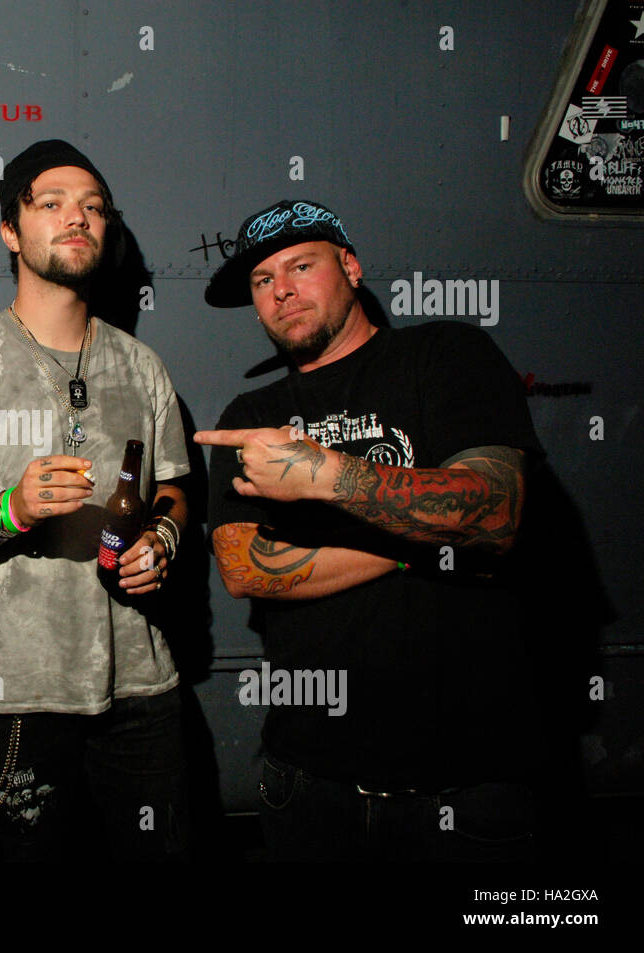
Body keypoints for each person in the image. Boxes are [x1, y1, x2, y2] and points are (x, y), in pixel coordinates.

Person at [197, 199, 543, 861]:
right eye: (263, 281)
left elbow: (494, 510)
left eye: (302, 265)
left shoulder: (445, 353)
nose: (283, 291)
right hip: (310, 782)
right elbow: (247, 566)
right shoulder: (254, 413)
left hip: (467, 785)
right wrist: (425, 541)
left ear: (350, 267)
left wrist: (322, 473)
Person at [0, 139, 192, 861]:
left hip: (141, 686)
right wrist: (14, 508)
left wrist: (164, 539)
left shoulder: (141, 365)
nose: (79, 218)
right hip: (19, 696)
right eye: (54, 203)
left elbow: (173, 494)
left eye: (94, 207)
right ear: (11, 229)